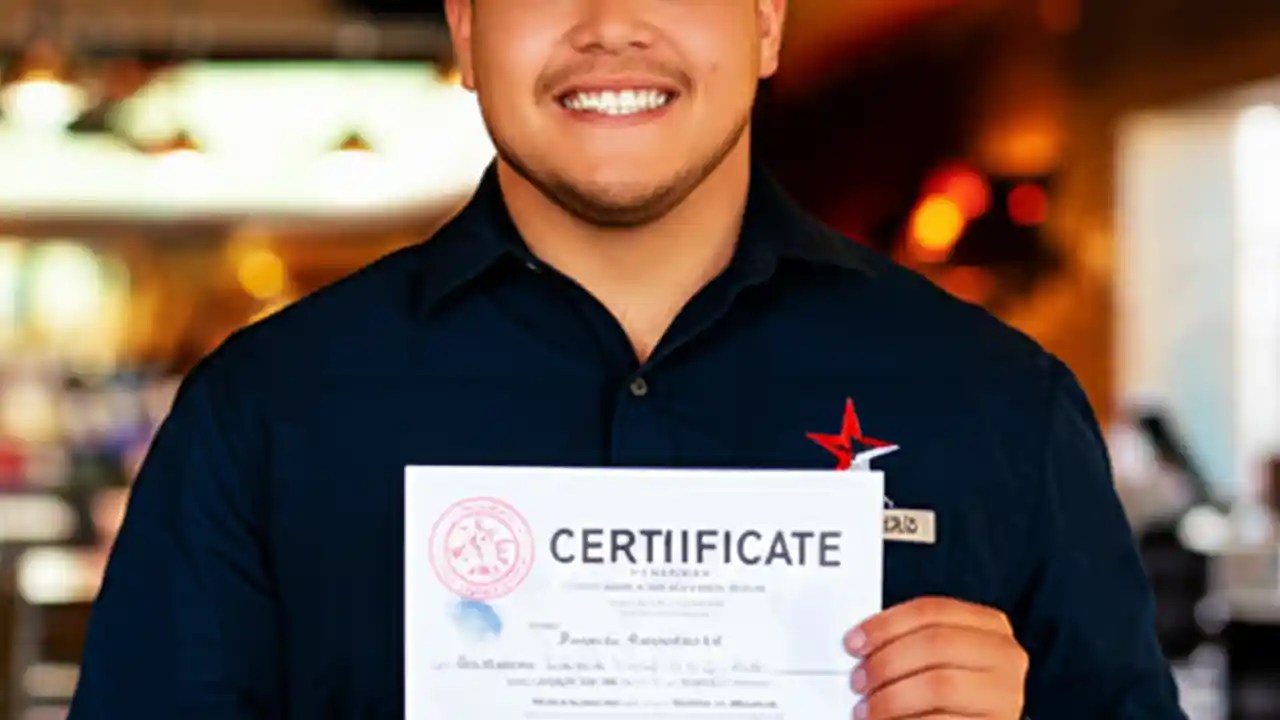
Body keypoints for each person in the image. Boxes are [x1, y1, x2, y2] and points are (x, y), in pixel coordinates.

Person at [70, 0, 1186, 718]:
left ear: (764, 23)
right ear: (465, 32)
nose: (609, 25)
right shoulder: (264, 412)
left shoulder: (996, 401)